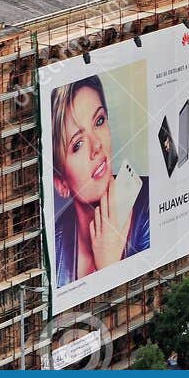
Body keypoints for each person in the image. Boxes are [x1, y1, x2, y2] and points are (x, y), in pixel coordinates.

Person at [51, 74, 152, 288]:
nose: (96, 144)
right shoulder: (54, 243)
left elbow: (142, 298)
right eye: (77, 144)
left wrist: (109, 266)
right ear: (61, 183)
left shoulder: (150, 206)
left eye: (99, 121)